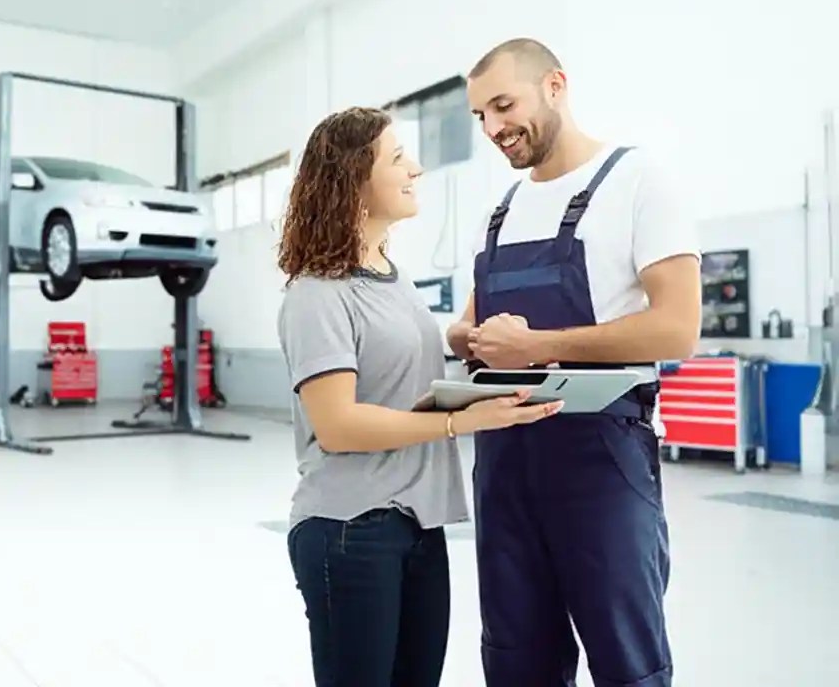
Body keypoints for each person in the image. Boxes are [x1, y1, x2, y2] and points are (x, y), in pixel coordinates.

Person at [276, 106, 565, 687]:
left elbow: (404, 386)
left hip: (418, 525)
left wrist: (483, 361)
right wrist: (464, 423)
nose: (418, 168)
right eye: (398, 157)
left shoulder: (393, 278)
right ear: (353, 178)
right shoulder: (316, 293)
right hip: (349, 530)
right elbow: (339, 426)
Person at [449, 38, 702, 686]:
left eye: (503, 105)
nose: (493, 129)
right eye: (480, 116)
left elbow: (677, 328)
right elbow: (474, 323)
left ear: (555, 85)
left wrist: (539, 345)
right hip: (504, 462)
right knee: (514, 655)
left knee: (626, 658)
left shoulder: (639, 180)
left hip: (601, 459)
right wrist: (463, 339)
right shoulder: (496, 214)